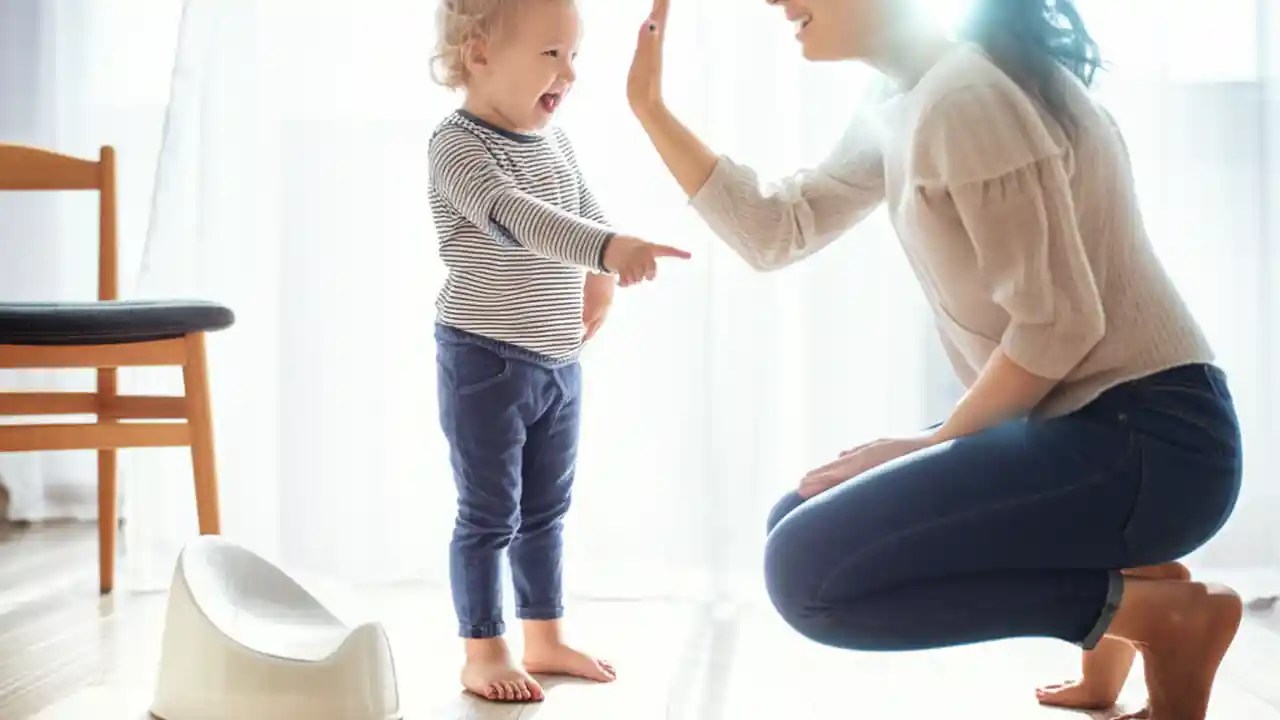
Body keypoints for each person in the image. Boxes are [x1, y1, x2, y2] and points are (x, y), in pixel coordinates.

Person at [626, 0, 1244, 718]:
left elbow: (1060, 328)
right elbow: (777, 229)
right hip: (1100, 430)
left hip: (1154, 444)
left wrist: (926, 442)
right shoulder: (911, 89)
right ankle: (1132, 601)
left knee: (809, 575)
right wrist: (649, 107)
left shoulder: (967, 97)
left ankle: (1166, 621)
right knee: (797, 520)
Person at [428, 0, 689, 703]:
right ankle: (482, 648)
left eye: (574, 56)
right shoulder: (458, 146)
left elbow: (583, 209)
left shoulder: (556, 142)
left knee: (546, 510)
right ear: (480, 53)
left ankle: (543, 636)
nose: (569, 73)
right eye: (552, 54)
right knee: (489, 514)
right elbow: (520, 219)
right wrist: (606, 251)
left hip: (556, 363)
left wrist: (602, 269)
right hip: (484, 360)